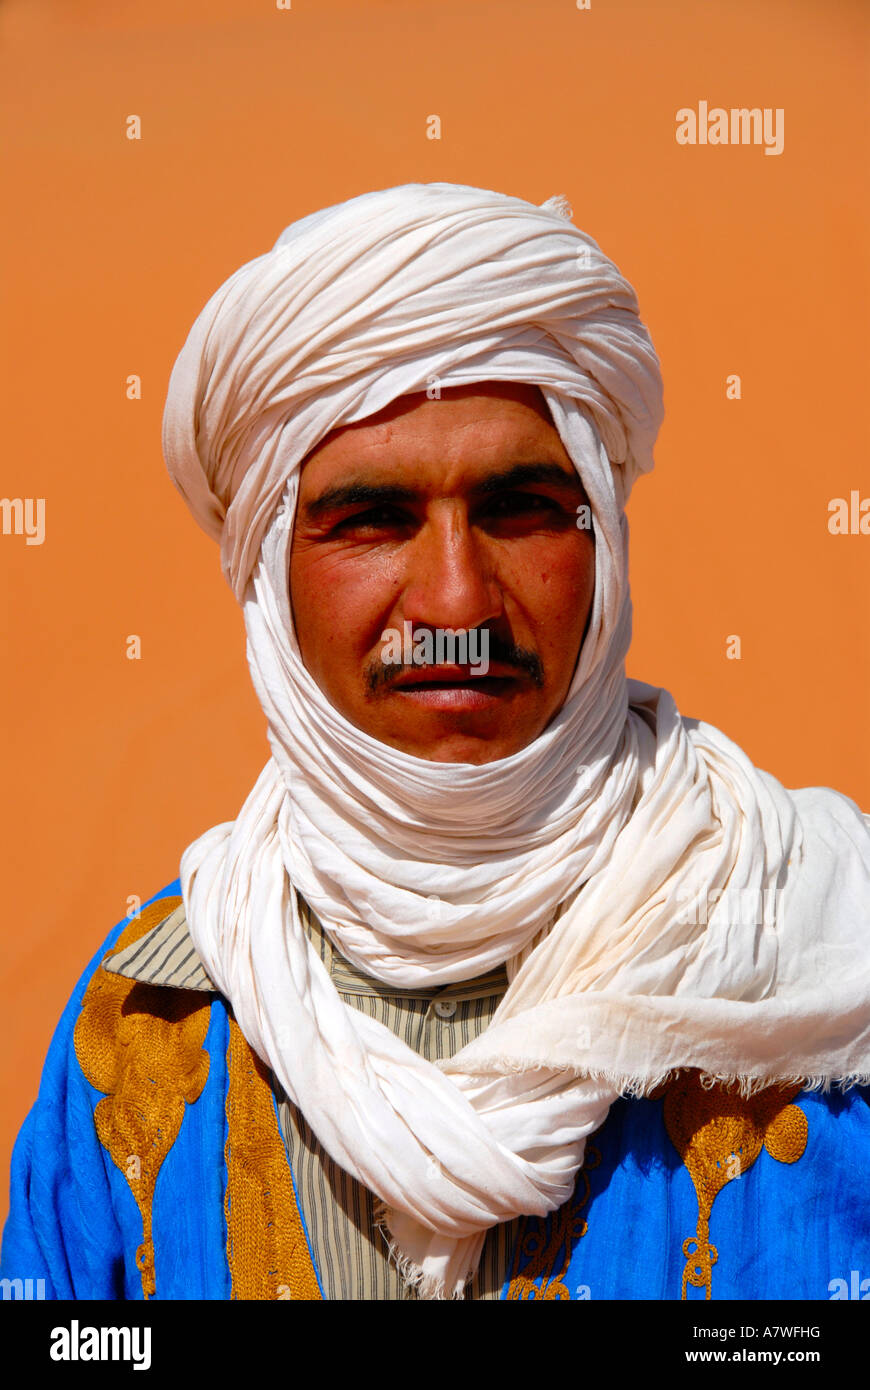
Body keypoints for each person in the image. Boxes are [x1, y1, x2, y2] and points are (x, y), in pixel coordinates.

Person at [3, 182, 870, 1302]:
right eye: (372, 519)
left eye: (519, 507)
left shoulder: (811, 964)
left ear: (599, 536)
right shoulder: (143, 1033)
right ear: (272, 571)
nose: (457, 596)